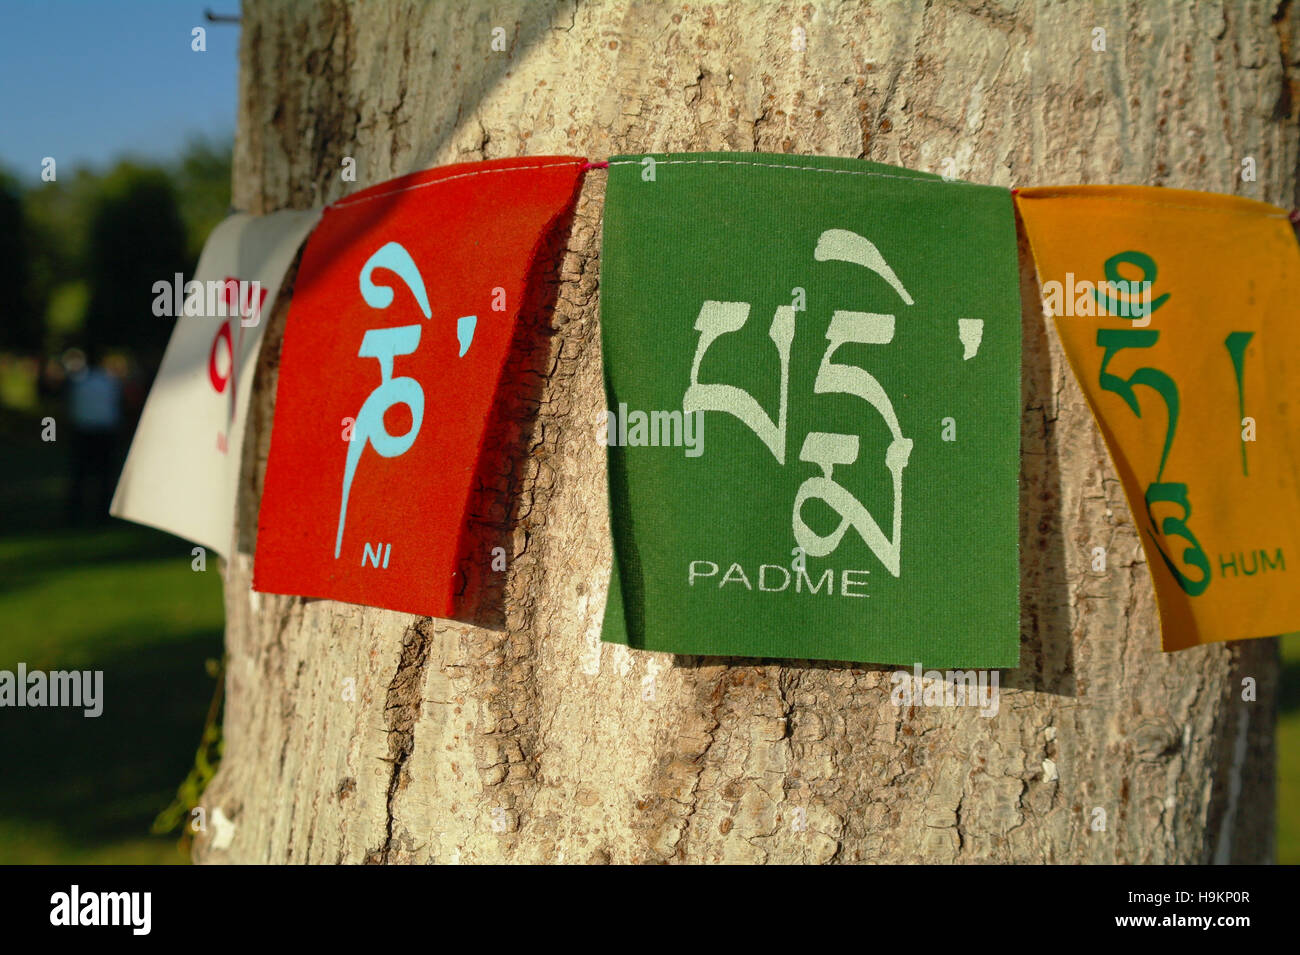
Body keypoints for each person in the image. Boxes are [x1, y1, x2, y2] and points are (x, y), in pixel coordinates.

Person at [65, 345, 124, 524]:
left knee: (80, 476)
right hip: (104, 432)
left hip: (83, 432)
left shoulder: (78, 382)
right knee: (105, 476)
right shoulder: (109, 381)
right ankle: (103, 513)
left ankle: (75, 514)